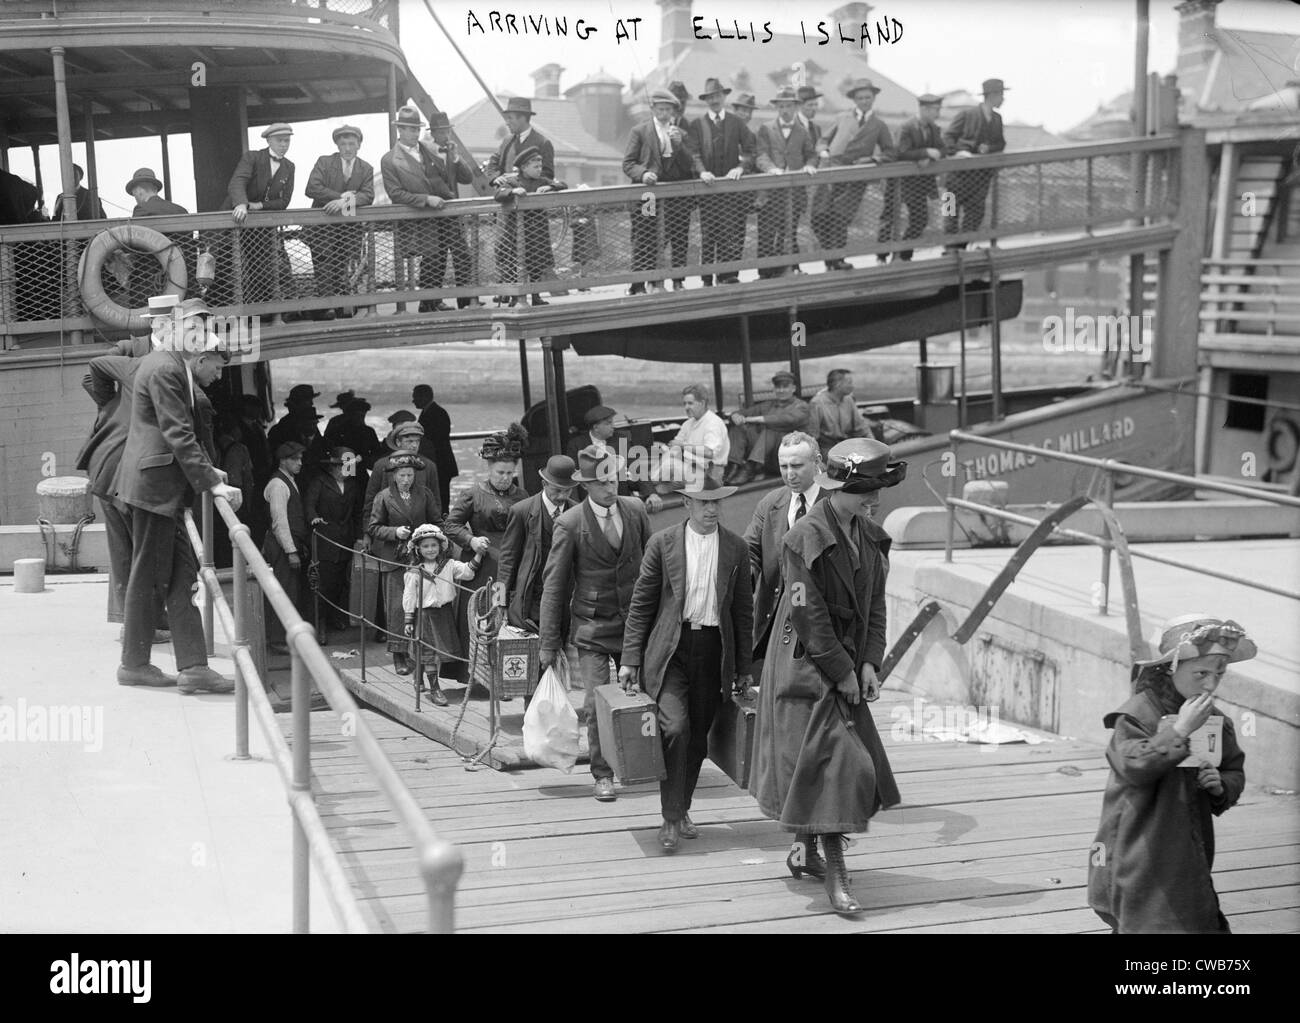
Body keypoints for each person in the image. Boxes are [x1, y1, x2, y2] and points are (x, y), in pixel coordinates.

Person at [749, 438, 906, 915]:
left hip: (846, 664)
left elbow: (875, 605)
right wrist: (841, 672)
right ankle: (836, 872)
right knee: (837, 765)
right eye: (867, 491)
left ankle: (807, 851)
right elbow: (807, 613)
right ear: (843, 489)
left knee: (816, 765)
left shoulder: (871, 535)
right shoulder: (805, 538)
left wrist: (869, 662)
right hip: (804, 664)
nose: (874, 500)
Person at [1087, 614, 1252, 934]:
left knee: (1196, 916)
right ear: (1171, 667)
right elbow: (1132, 765)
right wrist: (1180, 730)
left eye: (1219, 674)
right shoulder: (1137, 714)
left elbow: (1233, 768)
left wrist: (1220, 786)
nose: (1210, 684)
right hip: (1139, 849)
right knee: (1147, 919)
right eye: (1201, 673)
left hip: (1189, 851)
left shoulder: (1212, 719)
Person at [620, 475, 753, 852]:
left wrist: (744, 668)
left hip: (714, 651)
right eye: (703, 502)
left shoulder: (736, 548)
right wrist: (630, 659)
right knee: (675, 727)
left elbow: (744, 612)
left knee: (698, 737)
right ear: (686, 504)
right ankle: (669, 816)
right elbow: (642, 605)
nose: (712, 509)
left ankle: (682, 808)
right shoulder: (662, 544)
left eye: (716, 502)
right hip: (672, 650)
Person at [109, 316, 242, 693]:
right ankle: (134, 664)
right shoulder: (166, 369)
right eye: (210, 356)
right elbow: (178, 434)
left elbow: (175, 435)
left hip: (160, 487)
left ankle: (194, 667)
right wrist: (213, 482)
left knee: (182, 575)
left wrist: (208, 472)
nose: (214, 367)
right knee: (148, 577)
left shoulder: (165, 364)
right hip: (154, 489)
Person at [539, 446, 652, 802]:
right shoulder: (570, 523)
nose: (610, 486)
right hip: (591, 627)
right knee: (595, 701)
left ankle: (642, 763)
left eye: (614, 478)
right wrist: (547, 644)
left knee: (645, 697)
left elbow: (652, 569)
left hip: (635, 625)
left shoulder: (634, 511)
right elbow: (554, 586)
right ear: (586, 486)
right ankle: (602, 773)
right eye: (602, 481)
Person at [381, 107, 480, 312]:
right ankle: (428, 302)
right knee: (433, 257)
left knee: (456, 256)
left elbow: (457, 177)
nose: (414, 133)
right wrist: (426, 199)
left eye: (416, 129)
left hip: (445, 212)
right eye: (408, 129)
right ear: (399, 130)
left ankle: (454, 301)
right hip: (420, 215)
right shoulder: (390, 159)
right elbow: (396, 194)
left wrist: (454, 158)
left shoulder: (430, 150)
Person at [743, 432, 826, 668]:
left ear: (817, 461)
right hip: (775, 618)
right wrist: (743, 577)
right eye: (783, 466)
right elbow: (750, 550)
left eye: (797, 466)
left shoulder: (835, 504)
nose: (789, 474)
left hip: (820, 620)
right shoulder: (770, 503)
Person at [368, 453, 442, 675]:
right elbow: (373, 527)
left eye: (410, 475)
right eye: (402, 475)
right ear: (393, 476)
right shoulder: (383, 497)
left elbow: (437, 521)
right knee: (397, 608)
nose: (407, 479)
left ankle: (421, 652)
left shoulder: (425, 494)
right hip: (394, 559)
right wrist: (394, 532)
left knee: (422, 604)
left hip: (420, 558)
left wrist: (433, 538)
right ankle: (399, 655)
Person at [811, 79, 895, 272]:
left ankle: (838, 259)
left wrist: (872, 159)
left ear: (873, 99)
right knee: (819, 216)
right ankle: (829, 256)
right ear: (854, 100)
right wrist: (823, 151)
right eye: (860, 98)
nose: (864, 101)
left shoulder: (878, 125)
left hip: (856, 176)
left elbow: (890, 152)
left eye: (868, 97)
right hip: (832, 171)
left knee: (840, 217)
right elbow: (823, 140)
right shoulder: (842, 117)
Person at [623, 90, 696, 295]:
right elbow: (628, 164)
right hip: (649, 195)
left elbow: (690, 166)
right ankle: (639, 284)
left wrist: (679, 146)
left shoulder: (680, 133)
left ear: (673, 111)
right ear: (653, 109)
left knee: (679, 236)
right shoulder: (640, 131)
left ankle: (678, 281)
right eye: (661, 109)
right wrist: (643, 174)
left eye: (668, 110)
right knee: (645, 236)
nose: (664, 114)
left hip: (676, 195)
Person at [403, 523, 483, 708]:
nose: (430, 549)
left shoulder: (448, 565)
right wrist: (408, 619)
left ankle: (420, 676)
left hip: (444, 614)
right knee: (428, 652)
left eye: (433, 545)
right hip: (424, 615)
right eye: (425, 546)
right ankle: (434, 689)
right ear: (418, 549)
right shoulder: (415, 572)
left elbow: (468, 572)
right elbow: (409, 596)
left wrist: (479, 554)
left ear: (440, 546)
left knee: (438, 652)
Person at [497, 454, 578, 633]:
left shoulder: (578, 512)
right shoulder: (521, 512)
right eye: (557, 490)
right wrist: (499, 601)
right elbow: (506, 561)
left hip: (568, 598)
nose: (562, 496)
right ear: (544, 484)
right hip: (531, 597)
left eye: (568, 490)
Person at [443, 424, 529, 592]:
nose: (505, 478)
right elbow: (450, 525)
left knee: (511, 608)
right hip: (484, 562)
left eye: (510, 473)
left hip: (516, 561)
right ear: (488, 468)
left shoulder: (522, 496)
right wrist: (471, 540)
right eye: (500, 473)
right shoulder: (472, 494)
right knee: (487, 610)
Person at [688, 77, 757, 286]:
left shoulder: (736, 122)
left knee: (731, 231)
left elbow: (750, 150)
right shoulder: (697, 124)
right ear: (706, 100)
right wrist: (701, 172)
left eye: (717, 96)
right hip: (708, 189)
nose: (714, 100)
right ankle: (707, 278)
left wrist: (740, 167)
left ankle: (728, 276)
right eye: (710, 97)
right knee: (709, 234)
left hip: (731, 190)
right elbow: (694, 153)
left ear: (724, 97)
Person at [304, 124, 374, 319]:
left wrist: (343, 202)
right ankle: (327, 308)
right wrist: (339, 196)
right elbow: (311, 188)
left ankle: (341, 306)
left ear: (359, 145)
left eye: (352, 143)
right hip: (322, 228)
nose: (348, 148)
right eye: (343, 144)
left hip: (347, 229)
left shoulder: (366, 168)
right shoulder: (325, 162)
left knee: (340, 267)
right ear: (337, 146)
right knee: (323, 266)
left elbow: (368, 196)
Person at [227, 123, 296, 307]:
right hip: (237, 221)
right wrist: (241, 203)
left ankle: (261, 311)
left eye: (287, 140)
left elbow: (284, 201)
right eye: (279, 140)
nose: (284, 144)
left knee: (265, 268)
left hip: (263, 227)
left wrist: (260, 205)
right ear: (268, 141)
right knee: (231, 267)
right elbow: (237, 181)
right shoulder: (253, 157)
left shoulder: (289, 167)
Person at [756, 87, 818, 279]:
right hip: (772, 191)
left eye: (789, 106)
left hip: (794, 192)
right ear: (776, 108)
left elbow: (811, 154)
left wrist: (809, 166)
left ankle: (788, 269)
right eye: (781, 106)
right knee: (767, 232)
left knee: (789, 231)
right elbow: (761, 155)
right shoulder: (766, 128)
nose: (785, 110)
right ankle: (765, 274)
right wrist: (771, 168)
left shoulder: (802, 130)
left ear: (795, 107)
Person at [493, 146, 567, 307]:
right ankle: (515, 297)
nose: (539, 170)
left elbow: (563, 184)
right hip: (518, 232)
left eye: (540, 166)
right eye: (536, 167)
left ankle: (536, 296)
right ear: (524, 167)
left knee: (537, 264)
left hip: (538, 232)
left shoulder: (542, 181)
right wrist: (513, 192)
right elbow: (499, 194)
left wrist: (551, 187)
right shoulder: (513, 181)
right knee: (515, 264)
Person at [306, 446, 366, 633]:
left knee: (342, 582)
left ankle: (336, 618)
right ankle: (320, 624)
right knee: (324, 583)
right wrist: (314, 517)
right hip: (326, 540)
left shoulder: (353, 486)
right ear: (333, 467)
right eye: (343, 467)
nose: (347, 471)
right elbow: (309, 505)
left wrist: (359, 537)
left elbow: (357, 513)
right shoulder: (319, 482)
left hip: (346, 539)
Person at [943, 79, 1007, 250]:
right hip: (955, 177)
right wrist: (958, 152)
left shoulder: (997, 119)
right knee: (949, 210)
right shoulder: (966, 115)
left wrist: (988, 148)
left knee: (976, 214)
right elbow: (948, 138)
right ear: (992, 96)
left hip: (980, 178)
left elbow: (1000, 144)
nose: (1003, 99)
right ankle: (949, 248)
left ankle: (960, 248)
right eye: (1001, 95)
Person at [879, 94, 944, 262]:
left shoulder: (934, 129)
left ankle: (904, 254)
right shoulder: (906, 127)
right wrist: (924, 153)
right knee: (889, 218)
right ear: (924, 109)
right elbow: (900, 152)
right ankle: (882, 256)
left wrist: (929, 157)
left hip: (919, 184)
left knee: (920, 219)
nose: (938, 113)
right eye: (935, 110)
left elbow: (943, 149)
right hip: (899, 182)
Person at [262, 441, 310, 655]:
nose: (300, 463)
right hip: (281, 547)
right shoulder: (278, 485)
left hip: (289, 544)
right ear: (283, 461)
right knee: (283, 591)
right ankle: (276, 639)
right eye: (295, 459)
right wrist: (291, 551)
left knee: (290, 590)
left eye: (300, 459)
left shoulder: (288, 481)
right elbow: (279, 522)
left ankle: (284, 636)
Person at [724, 370, 811, 484]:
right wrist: (736, 416)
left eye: (785, 387)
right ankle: (733, 466)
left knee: (771, 429)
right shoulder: (768, 405)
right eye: (778, 387)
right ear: (774, 389)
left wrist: (753, 419)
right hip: (765, 457)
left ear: (793, 388)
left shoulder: (802, 406)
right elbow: (741, 412)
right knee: (738, 427)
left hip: (789, 457)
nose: (781, 390)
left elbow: (784, 420)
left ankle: (750, 468)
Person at [126, 168, 189, 306]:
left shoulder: (141, 210)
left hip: (150, 283)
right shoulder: (181, 210)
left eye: (134, 193)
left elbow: (133, 245)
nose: (135, 197)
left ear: (139, 190)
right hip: (182, 280)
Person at [363, 420, 441, 526]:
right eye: (409, 441)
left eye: (417, 441)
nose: (414, 445)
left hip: (420, 531)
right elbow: (370, 501)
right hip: (386, 531)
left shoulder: (429, 466)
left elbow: (436, 503)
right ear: (398, 442)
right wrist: (367, 532)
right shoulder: (381, 465)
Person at [654, 383, 729, 486]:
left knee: (669, 465)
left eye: (690, 403)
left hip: (711, 476)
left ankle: (645, 484)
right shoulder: (688, 424)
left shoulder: (713, 423)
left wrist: (683, 445)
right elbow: (675, 448)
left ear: (702, 403)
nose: (686, 407)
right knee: (660, 487)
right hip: (690, 470)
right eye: (684, 404)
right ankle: (645, 487)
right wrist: (662, 447)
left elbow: (709, 452)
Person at [807, 369, 876, 459]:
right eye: (849, 382)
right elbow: (813, 436)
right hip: (827, 450)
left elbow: (862, 428)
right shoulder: (817, 403)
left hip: (849, 446)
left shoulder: (849, 400)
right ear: (837, 385)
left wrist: (875, 447)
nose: (852, 386)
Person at [413, 384, 457, 513]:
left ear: (425, 396)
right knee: (438, 499)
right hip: (438, 464)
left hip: (440, 464)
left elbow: (437, 439)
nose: (413, 400)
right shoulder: (432, 412)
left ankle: (443, 526)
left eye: (415, 397)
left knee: (441, 500)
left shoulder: (437, 413)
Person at [322, 391, 382, 468]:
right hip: (343, 468)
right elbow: (328, 445)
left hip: (353, 469)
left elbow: (376, 454)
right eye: (357, 415)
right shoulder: (337, 427)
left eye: (362, 415)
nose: (360, 418)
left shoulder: (368, 431)